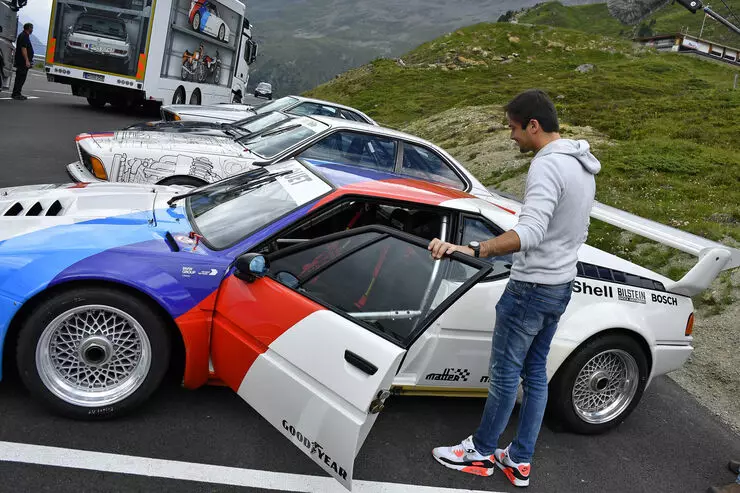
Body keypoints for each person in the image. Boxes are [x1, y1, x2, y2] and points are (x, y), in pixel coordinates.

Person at [429, 89, 601, 487]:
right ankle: (519, 459)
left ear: (534, 126)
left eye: (513, 128)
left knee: (505, 375)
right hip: (560, 286)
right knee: (535, 374)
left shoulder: (547, 166)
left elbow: (530, 232)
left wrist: (475, 247)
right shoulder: (582, 166)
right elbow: (575, 229)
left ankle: (481, 453)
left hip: (530, 289)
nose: (511, 136)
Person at [12, 23, 34, 101]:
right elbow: (23, 49)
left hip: (21, 61)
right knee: (20, 78)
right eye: (32, 28)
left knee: (20, 77)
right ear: (28, 28)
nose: (32, 30)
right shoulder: (24, 36)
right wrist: (27, 60)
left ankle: (17, 93)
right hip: (22, 61)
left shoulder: (24, 35)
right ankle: (16, 94)